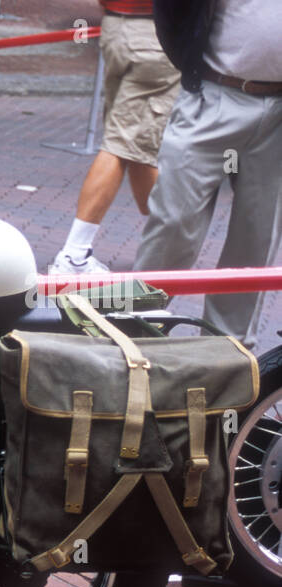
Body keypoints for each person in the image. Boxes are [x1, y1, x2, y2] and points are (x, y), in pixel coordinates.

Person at [133, 0, 282, 346]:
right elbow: (172, 13)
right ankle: (134, 327)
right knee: (173, 223)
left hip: (278, 114)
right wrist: (191, 67)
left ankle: (226, 348)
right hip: (212, 95)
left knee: (257, 235)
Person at [48, 1, 181, 275]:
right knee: (122, 144)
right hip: (155, 35)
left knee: (132, 142)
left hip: (117, 28)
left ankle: (162, 239)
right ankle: (74, 254)